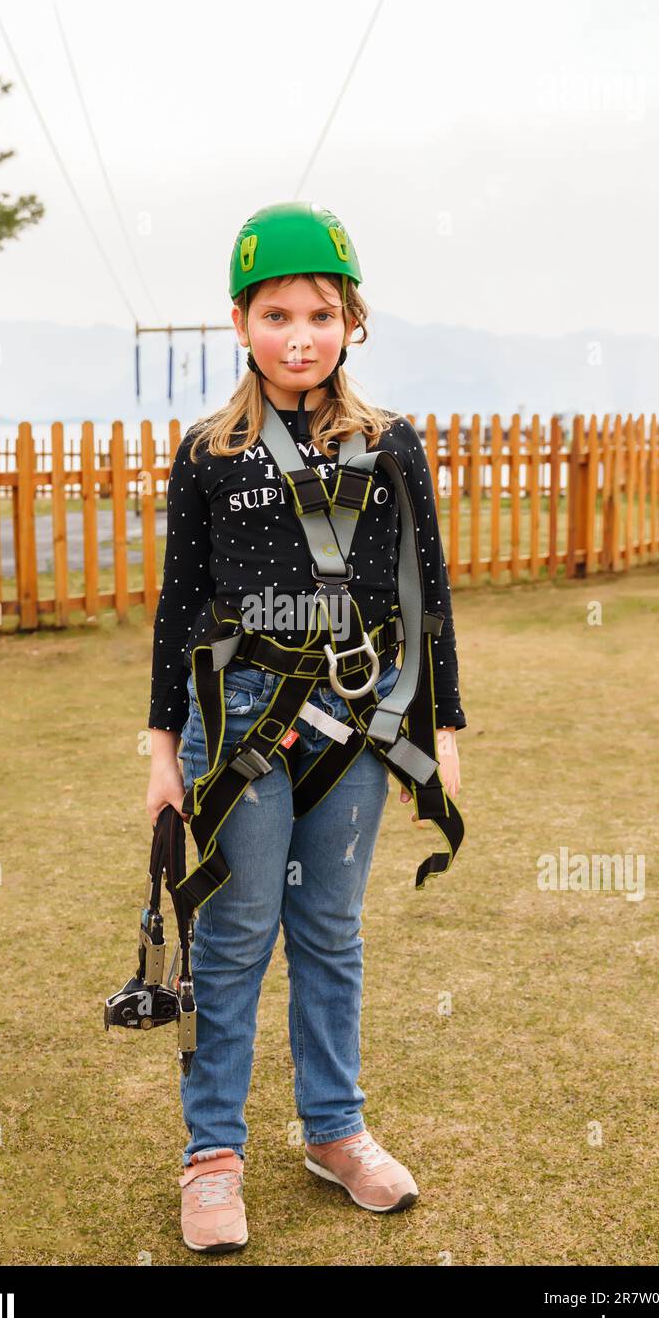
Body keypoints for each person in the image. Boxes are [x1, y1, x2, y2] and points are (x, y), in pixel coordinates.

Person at [145, 201, 465, 1254]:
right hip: (234, 730)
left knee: (329, 932)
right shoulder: (207, 453)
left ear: (350, 322)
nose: (298, 334)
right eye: (275, 312)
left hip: (356, 729)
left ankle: (333, 1130)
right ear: (239, 322)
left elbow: (427, 596)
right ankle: (211, 1156)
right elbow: (178, 608)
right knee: (233, 937)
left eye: (319, 313)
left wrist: (441, 729)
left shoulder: (388, 446)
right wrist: (160, 751)